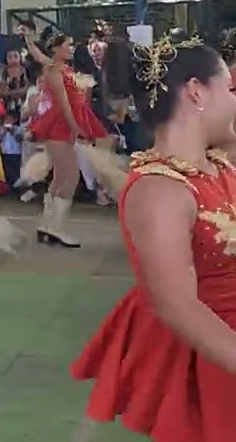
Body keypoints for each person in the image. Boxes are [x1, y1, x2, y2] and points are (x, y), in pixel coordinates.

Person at [71, 35, 236, 442]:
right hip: (215, 349)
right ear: (196, 92)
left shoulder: (218, 165)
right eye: (229, 88)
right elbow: (177, 305)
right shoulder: (160, 191)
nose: (234, 99)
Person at [27, 29, 109, 248]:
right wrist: (76, 128)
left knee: (60, 177)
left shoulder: (62, 68)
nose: (72, 48)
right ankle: (55, 228)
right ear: (56, 48)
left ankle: (47, 225)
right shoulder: (54, 70)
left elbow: (38, 54)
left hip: (64, 125)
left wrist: (29, 40)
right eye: (68, 44)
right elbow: (63, 103)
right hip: (60, 126)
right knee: (70, 177)